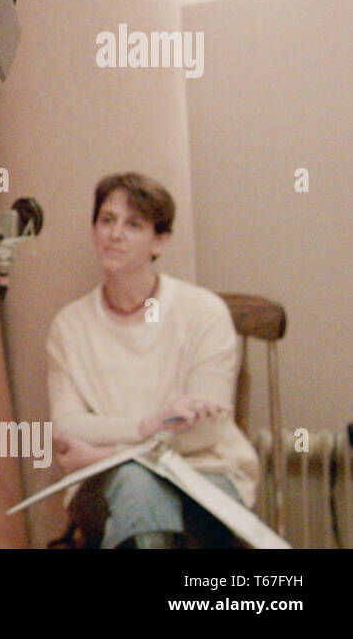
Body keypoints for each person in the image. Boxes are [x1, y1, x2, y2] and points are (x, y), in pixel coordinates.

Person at [47, 172, 259, 548]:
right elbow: (68, 427)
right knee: (134, 483)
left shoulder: (202, 312)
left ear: (160, 240)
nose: (115, 234)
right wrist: (148, 425)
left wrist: (108, 452)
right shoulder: (70, 326)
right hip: (105, 485)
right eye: (107, 220)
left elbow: (205, 430)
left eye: (134, 224)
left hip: (205, 474)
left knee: (136, 483)